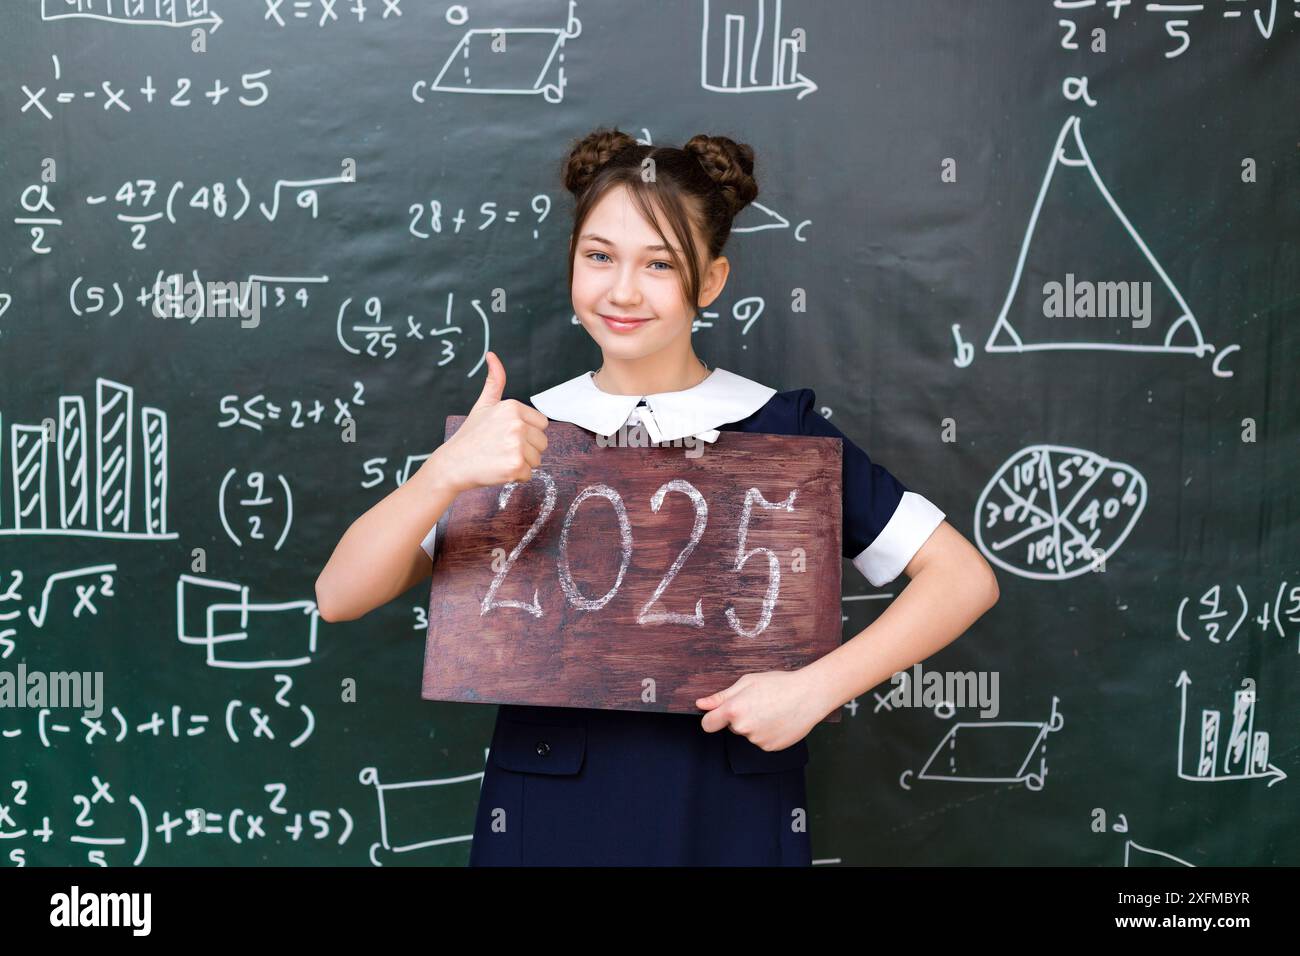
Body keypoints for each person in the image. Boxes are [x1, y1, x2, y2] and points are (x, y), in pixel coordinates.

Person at [315, 128, 1000, 866]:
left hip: (728, 807)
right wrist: (444, 473)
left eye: (660, 264)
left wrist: (817, 689)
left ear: (710, 281)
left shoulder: (779, 428)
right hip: (547, 810)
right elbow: (339, 595)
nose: (622, 291)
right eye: (599, 256)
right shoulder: (519, 431)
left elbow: (963, 578)